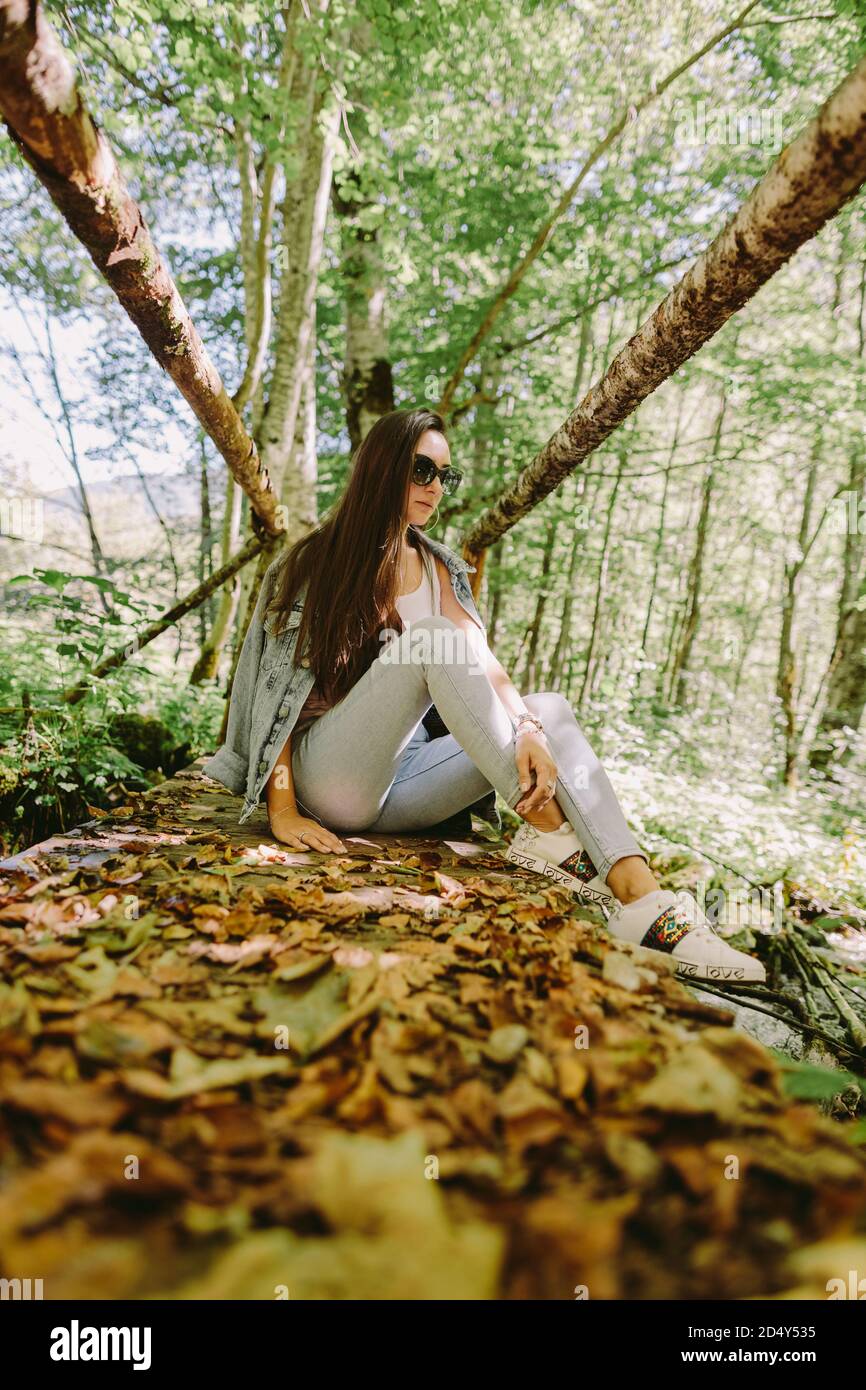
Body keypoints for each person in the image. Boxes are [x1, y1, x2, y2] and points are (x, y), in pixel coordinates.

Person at [203, 408, 765, 984]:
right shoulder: (310, 562)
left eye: (446, 475)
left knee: (546, 709)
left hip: (408, 778)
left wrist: (525, 729)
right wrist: (282, 806)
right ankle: (552, 834)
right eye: (422, 469)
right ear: (381, 467)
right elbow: (273, 699)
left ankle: (639, 896)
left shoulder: (441, 566)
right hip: (333, 775)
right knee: (434, 638)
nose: (434, 487)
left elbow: (486, 666)